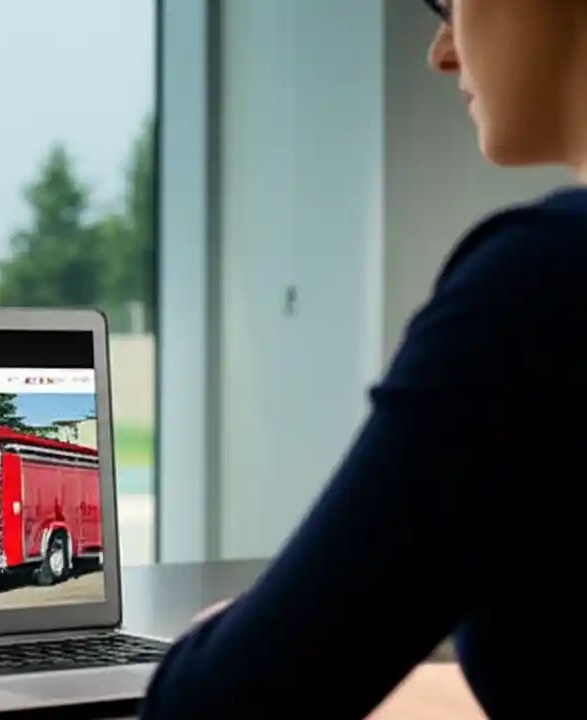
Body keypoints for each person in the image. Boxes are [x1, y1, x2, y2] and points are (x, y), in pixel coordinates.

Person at [141, 0, 586, 716]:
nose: (442, 51)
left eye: (452, 4)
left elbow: (223, 705)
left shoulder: (545, 280)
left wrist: (221, 641)